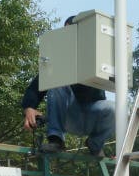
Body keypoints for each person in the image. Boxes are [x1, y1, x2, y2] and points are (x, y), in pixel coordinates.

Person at [22, 16, 116, 157]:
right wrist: (29, 107)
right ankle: (56, 140)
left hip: (91, 113)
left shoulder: (96, 55)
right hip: (70, 115)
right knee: (58, 80)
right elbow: (37, 86)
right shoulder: (60, 60)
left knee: (117, 108)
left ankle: (95, 144)